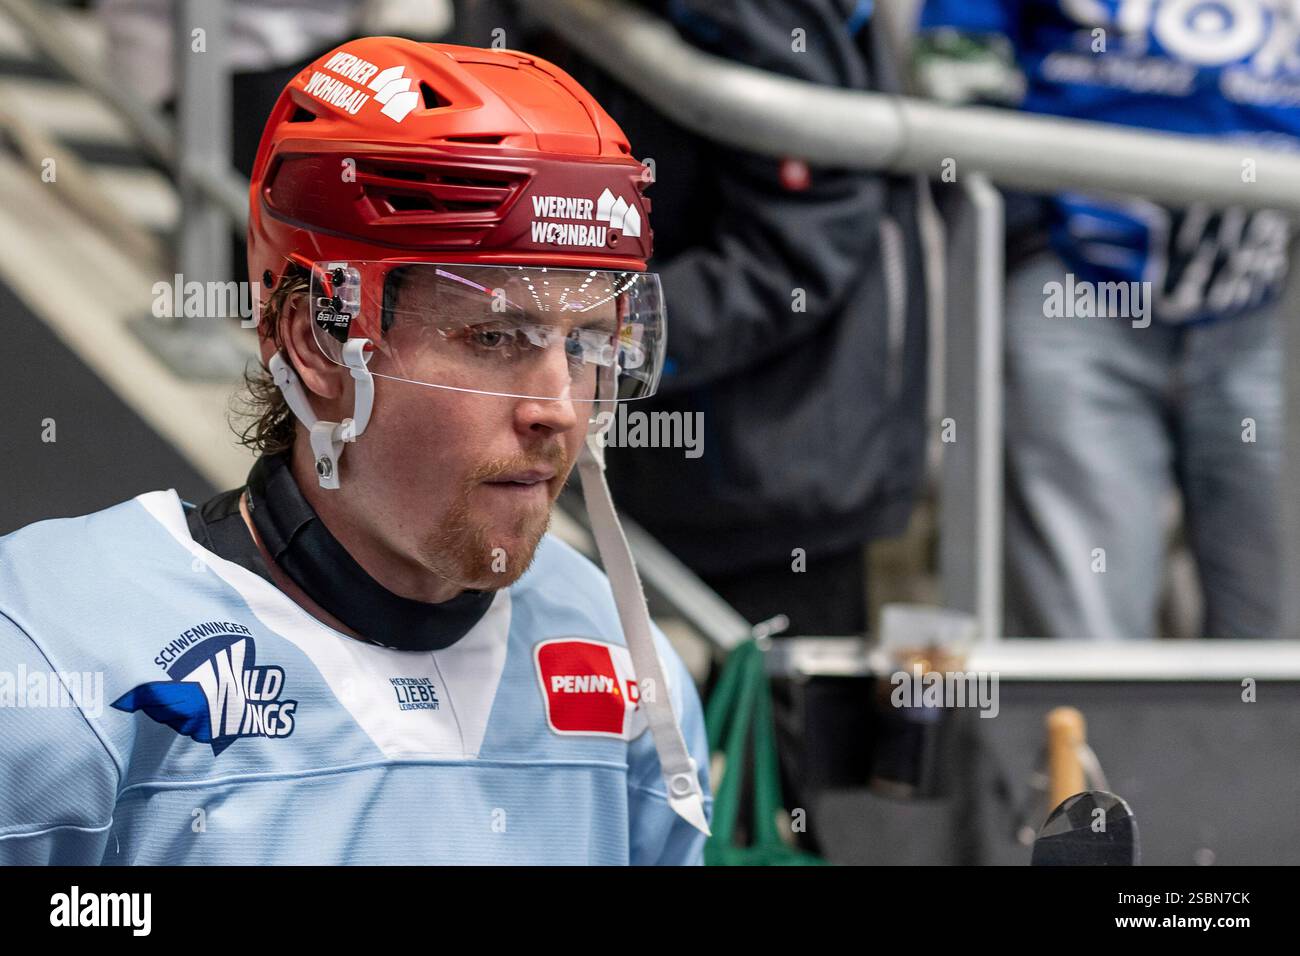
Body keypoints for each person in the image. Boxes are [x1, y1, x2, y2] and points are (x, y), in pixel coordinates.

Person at [0, 37, 711, 865]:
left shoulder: (623, 666)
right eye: (495, 336)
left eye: (586, 343)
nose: (558, 408)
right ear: (319, 343)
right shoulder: (57, 659)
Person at [460, 0, 930, 637]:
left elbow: (798, 248)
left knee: (773, 712)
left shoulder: (751, 16)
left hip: (777, 460)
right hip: (705, 453)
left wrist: (592, 333)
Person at [916, 0, 1295, 639]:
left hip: (1267, 295)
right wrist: (1029, 226)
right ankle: (1098, 742)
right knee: (1087, 625)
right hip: (1077, 282)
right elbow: (954, 58)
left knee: (1276, 628)